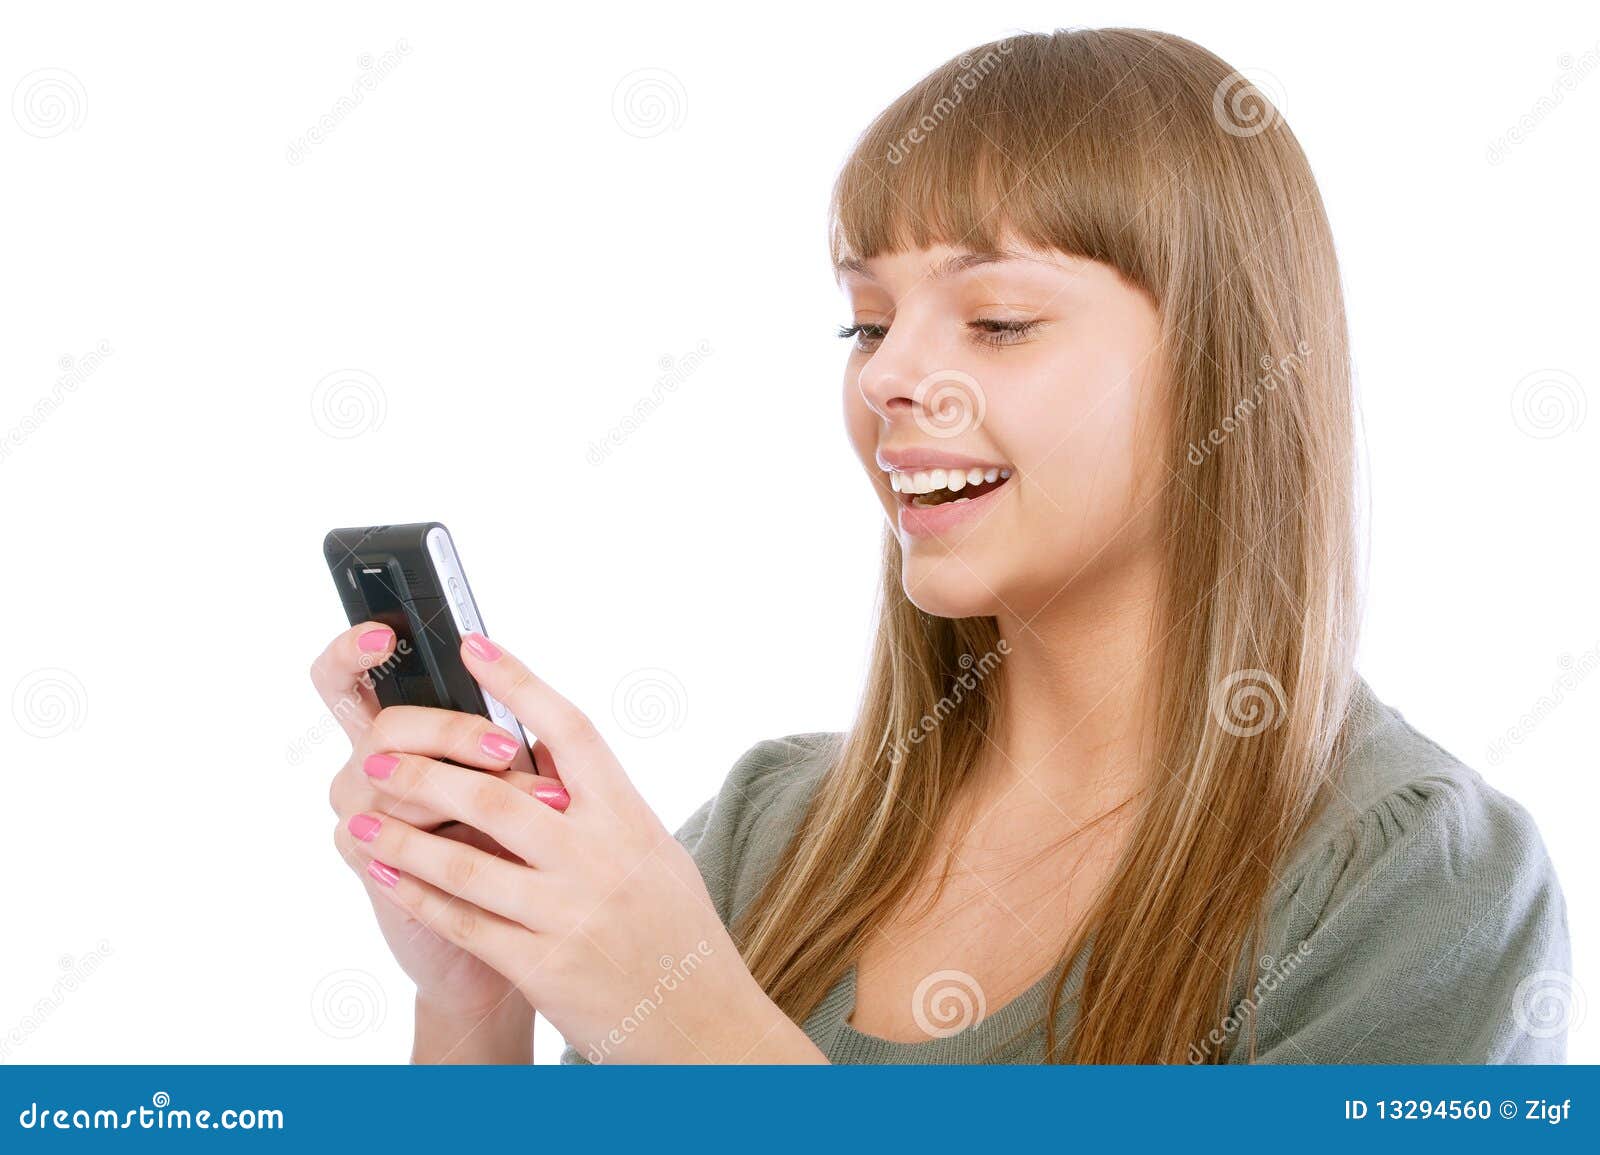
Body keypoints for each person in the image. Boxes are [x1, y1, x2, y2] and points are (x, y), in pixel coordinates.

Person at [310, 27, 1569, 1064]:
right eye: (865, 325)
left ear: (1222, 366)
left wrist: (693, 1030)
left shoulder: (1410, 882)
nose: (889, 376)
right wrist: (477, 998)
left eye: (999, 320)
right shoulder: (767, 835)